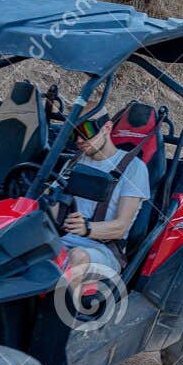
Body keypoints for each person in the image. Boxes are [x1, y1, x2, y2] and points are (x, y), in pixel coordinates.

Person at [60, 112, 149, 282]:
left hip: (103, 250)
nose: (79, 140)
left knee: (76, 257)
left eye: (86, 131)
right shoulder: (73, 162)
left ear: (107, 127)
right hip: (62, 238)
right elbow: (55, 204)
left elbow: (121, 227)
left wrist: (87, 228)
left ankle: (59, 308)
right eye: (74, 133)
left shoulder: (134, 168)